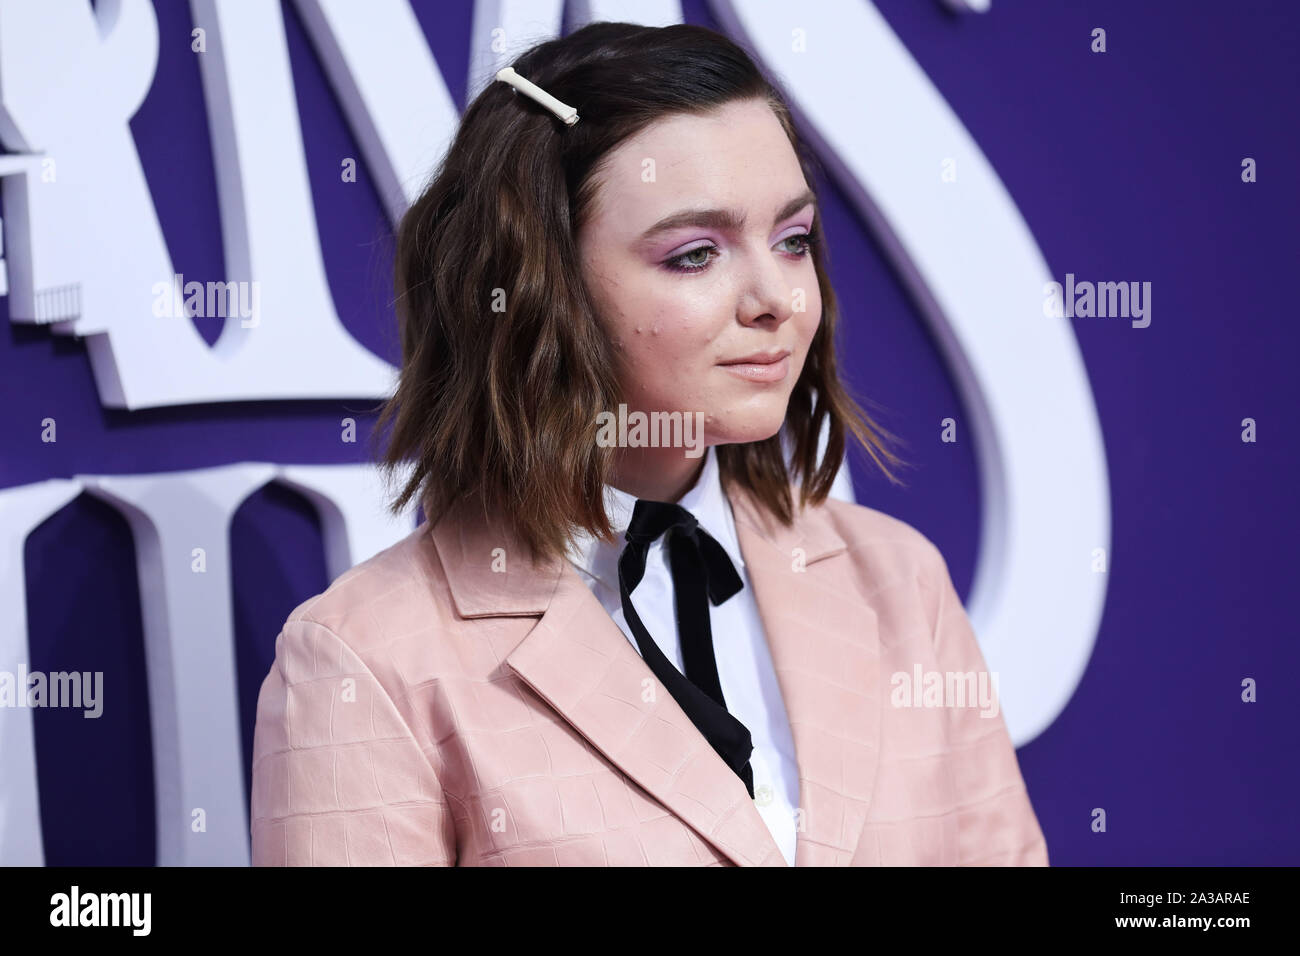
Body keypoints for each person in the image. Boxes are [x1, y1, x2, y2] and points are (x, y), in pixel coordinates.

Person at [249, 21, 1048, 867]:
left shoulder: (900, 583)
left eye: (793, 239)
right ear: (535, 288)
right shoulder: (366, 661)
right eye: (695, 254)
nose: (776, 296)